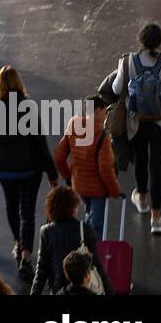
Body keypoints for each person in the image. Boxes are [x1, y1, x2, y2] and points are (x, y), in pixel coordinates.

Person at [110, 23, 161, 235]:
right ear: (160, 41)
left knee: (141, 161)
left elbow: (117, 88)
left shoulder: (127, 61)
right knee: (157, 168)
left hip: (136, 123)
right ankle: (156, 218)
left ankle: (142, 199)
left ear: (141, 41)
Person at [0, 66, 58, 282]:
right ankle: (26, 259)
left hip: (2, 169)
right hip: (28, 169)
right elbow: (40, 143)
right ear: (19, 83)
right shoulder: (27, 106)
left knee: (11, 206)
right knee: (27, 212)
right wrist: (52, 172)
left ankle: (18, 244)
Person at [54, 95, 122, 235]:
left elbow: (59, 157)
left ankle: (84, 245)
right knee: (96, 226)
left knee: (88, 215)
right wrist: (114, 190)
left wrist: (68, 177)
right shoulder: (102, 136)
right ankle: (92, 252)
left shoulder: (73, 126)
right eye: (104, 112)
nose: (105, 115)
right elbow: (105, 169)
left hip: (79, 185)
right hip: (97, 189)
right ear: (97, 111)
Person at [30, 186, 113, 295]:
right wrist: (109, 290)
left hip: (58, 289)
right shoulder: (84, 229)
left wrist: (34, 292)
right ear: (73, 207)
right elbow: (97, 263)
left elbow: (41, 270)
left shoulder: (46, 232)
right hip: (84, 288)